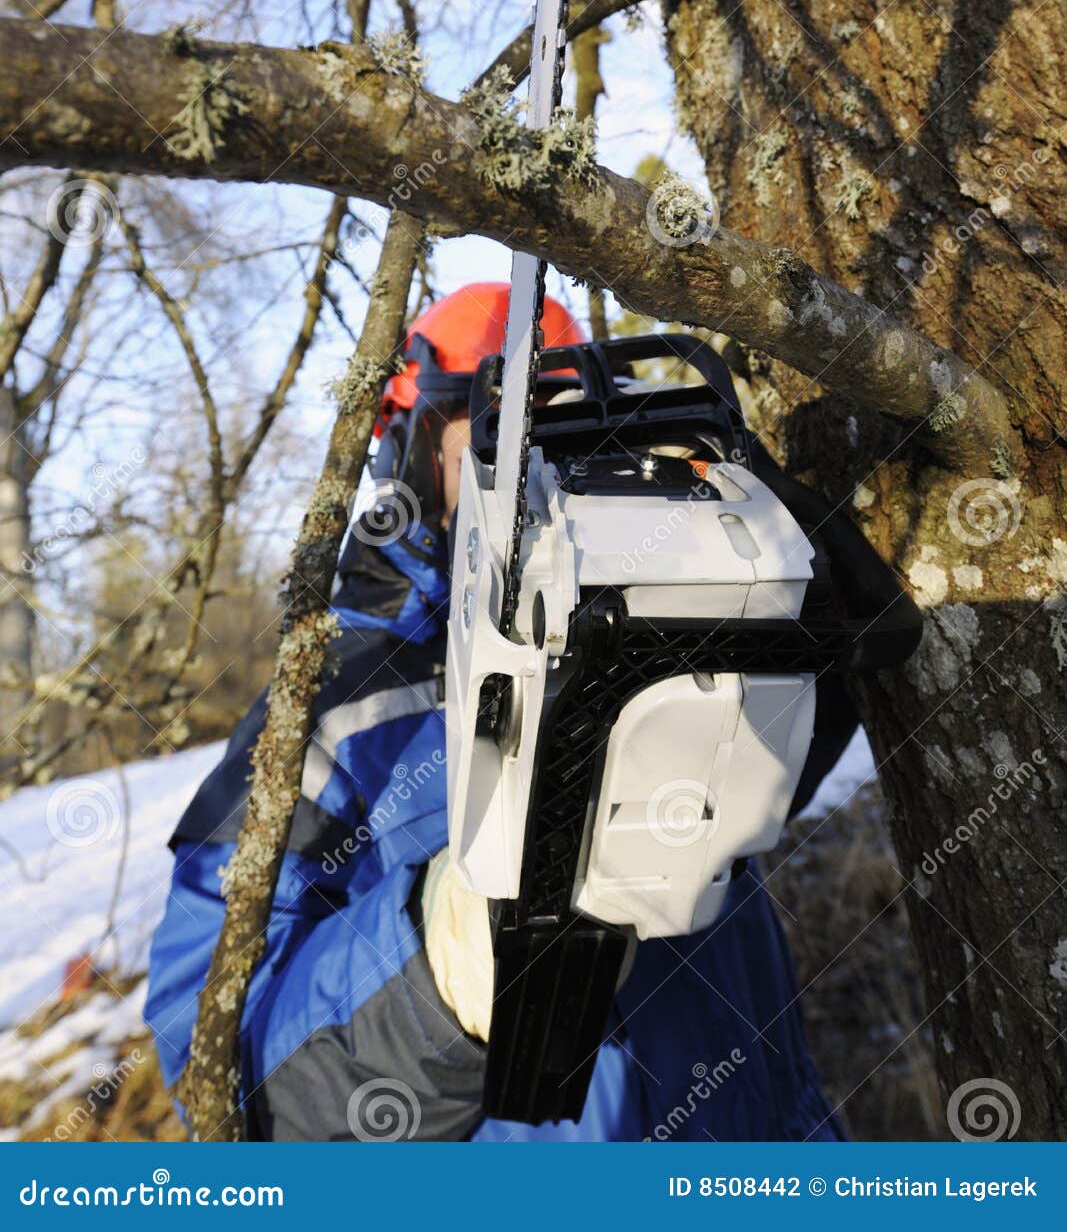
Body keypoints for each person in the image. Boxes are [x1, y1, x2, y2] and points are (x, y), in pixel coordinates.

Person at [145, 283, 851, 1142]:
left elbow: (755, 810)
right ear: (408, 451)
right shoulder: (329, 712)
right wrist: (443, 963)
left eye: (563, 430)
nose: (535, 474)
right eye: (493, 440)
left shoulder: (664, 612)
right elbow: (219, 1077)